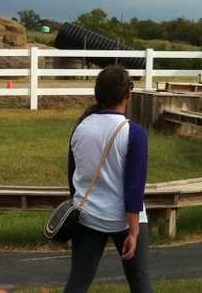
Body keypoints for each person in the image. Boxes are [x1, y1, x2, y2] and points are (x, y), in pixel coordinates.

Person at [64, 65, 152, 293]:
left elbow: (73, 176)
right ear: (128, 95)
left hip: (87, 216)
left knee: (77, 283)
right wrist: (134, 232)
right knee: (140, 284)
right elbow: (134, 188)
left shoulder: (81, 128)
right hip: (125, 220)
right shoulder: (134, 133)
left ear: (97, 95)